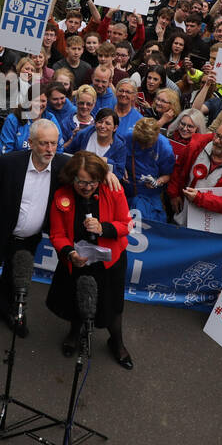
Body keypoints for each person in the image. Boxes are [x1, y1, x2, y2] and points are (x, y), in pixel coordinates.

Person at [0, 119, 69, 340]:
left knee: (14, 279)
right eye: (44, 144)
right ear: (30, 143)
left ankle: (4, 312)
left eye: (54, 143)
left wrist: (106, 174)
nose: (50, 149)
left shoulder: (62, 166)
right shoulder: (9, 163)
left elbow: (89, 168)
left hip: (28, 239)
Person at [46, 151, 134, 367]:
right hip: (78, 262)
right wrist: (69, 253)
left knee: (111, 306)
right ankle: (74, 333)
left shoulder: (113, 190)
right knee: (76, 301)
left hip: (109, 263)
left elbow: (126, 225)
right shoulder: (62, 195)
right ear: (72, 177)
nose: (87, 187)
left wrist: (104, 228)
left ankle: (117, 343)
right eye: (81, 182)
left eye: (92, 182)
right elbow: (57, 235)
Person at [167, 121, 222, 231]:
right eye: (217, 135)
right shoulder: (196, 145)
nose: (216, 141)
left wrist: (199, 198)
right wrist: (174, 193)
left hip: (210, 226)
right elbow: (178, 168)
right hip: (181, 217)